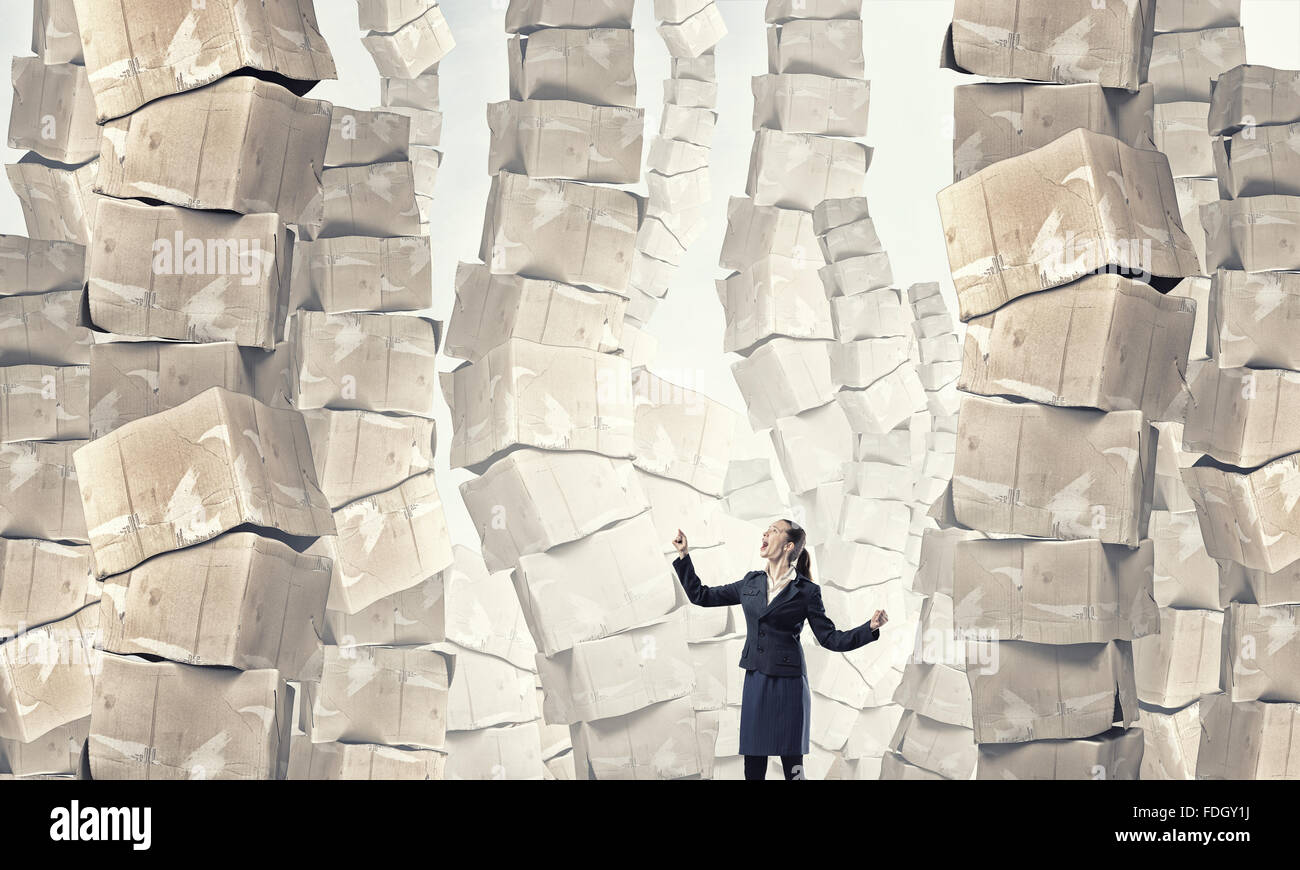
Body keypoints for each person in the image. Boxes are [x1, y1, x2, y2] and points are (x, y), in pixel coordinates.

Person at [672, 519, 887, 780]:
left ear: (788, 546)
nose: (765, 532)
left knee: (793, 770)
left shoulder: (807, 591)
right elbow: (701, 596)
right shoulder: (750, 583)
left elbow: (830, 638)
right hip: (756, 680)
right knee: (753, 766)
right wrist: (684, 556)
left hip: (790, 685)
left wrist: (870, 628)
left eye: (773, 530)